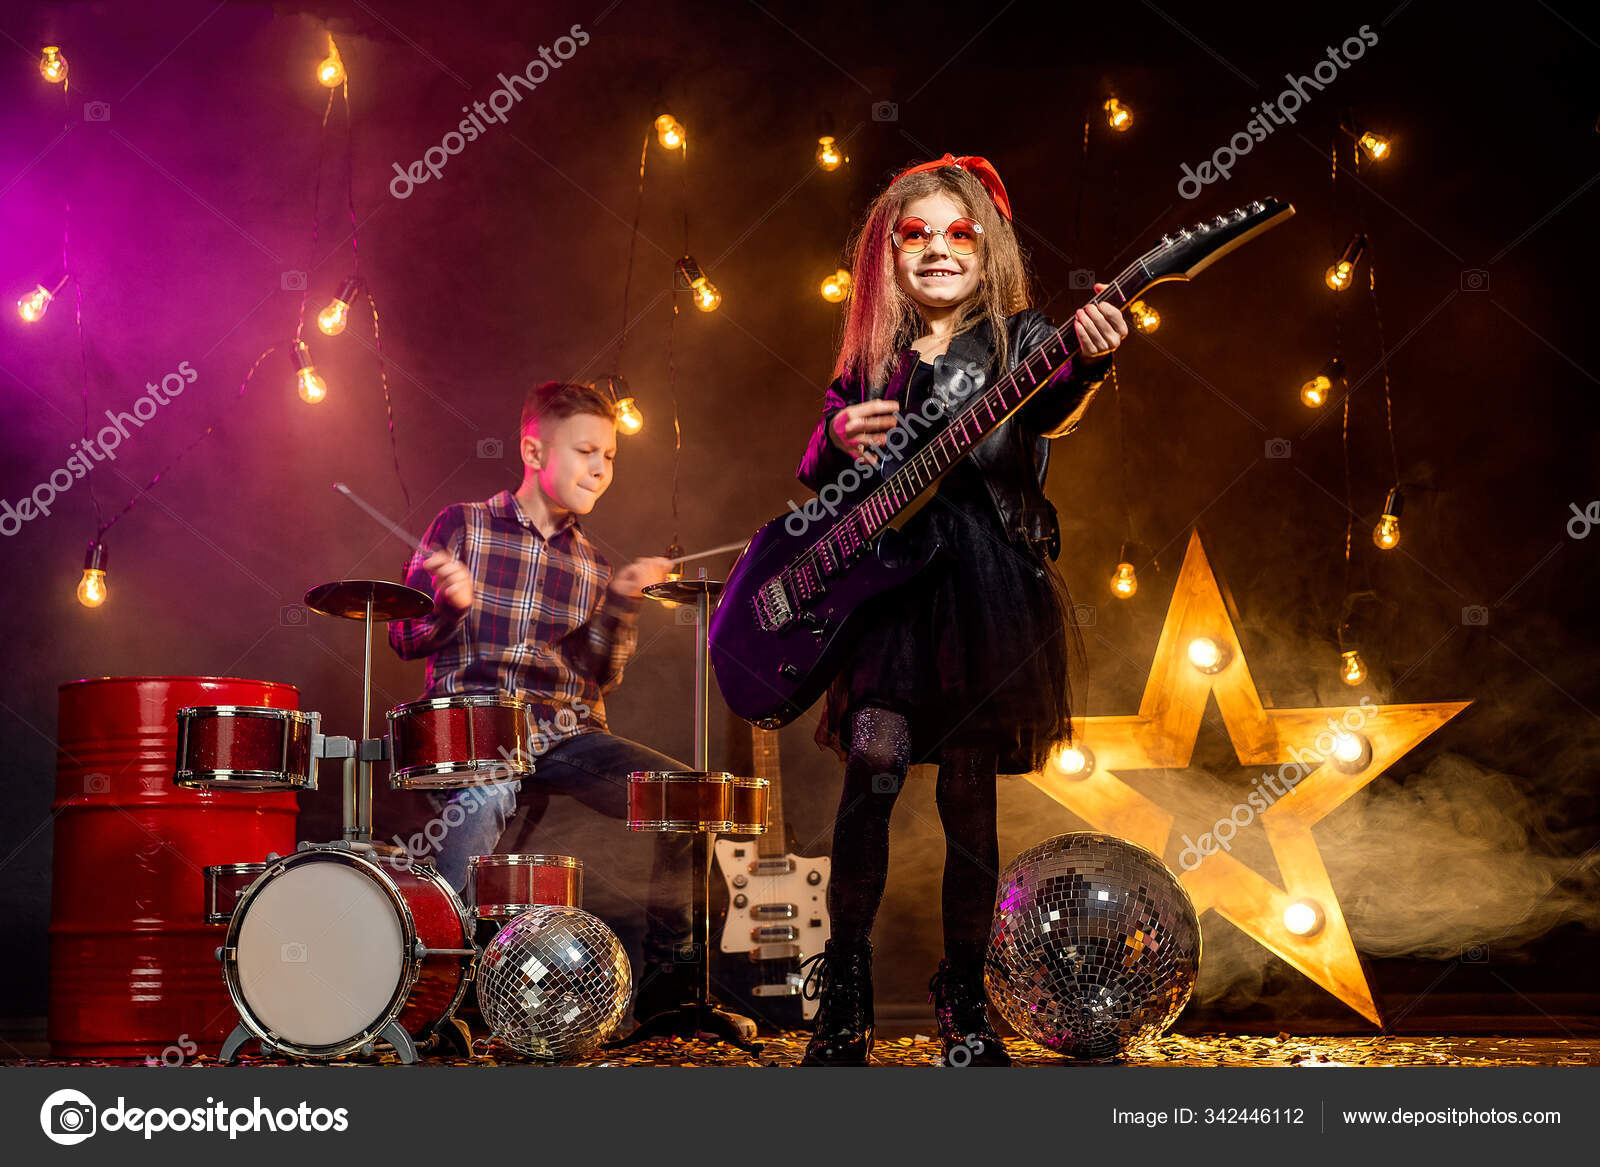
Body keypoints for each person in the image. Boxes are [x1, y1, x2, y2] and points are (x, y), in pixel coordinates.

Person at [792, 154, 1128, 1066]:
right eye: (916, 235)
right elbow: (816, 469)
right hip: (892, 598)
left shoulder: (1023, 341)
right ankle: (847, 986)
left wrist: (1091, 360)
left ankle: (964, 999)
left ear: (990, 248)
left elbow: (1054, 401)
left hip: (986, 598)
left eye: (958, 232)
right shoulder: (868, 361)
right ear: (886, 255)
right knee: (872, 768)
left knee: (969, 798)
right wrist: (836, 437)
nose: (938, 249)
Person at [387, 379, 697, 1020]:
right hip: (473, 731)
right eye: (587, 451)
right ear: (533, 453)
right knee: (488, 792)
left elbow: (598, 678)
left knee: (686, 795)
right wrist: (446, 609)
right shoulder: (464, 524)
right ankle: (444, 993)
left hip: (561, 734)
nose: (601, 468)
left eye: (610, 457)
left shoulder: (592, 563)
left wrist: (620, 604)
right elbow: (401, 634)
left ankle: (672, 988)